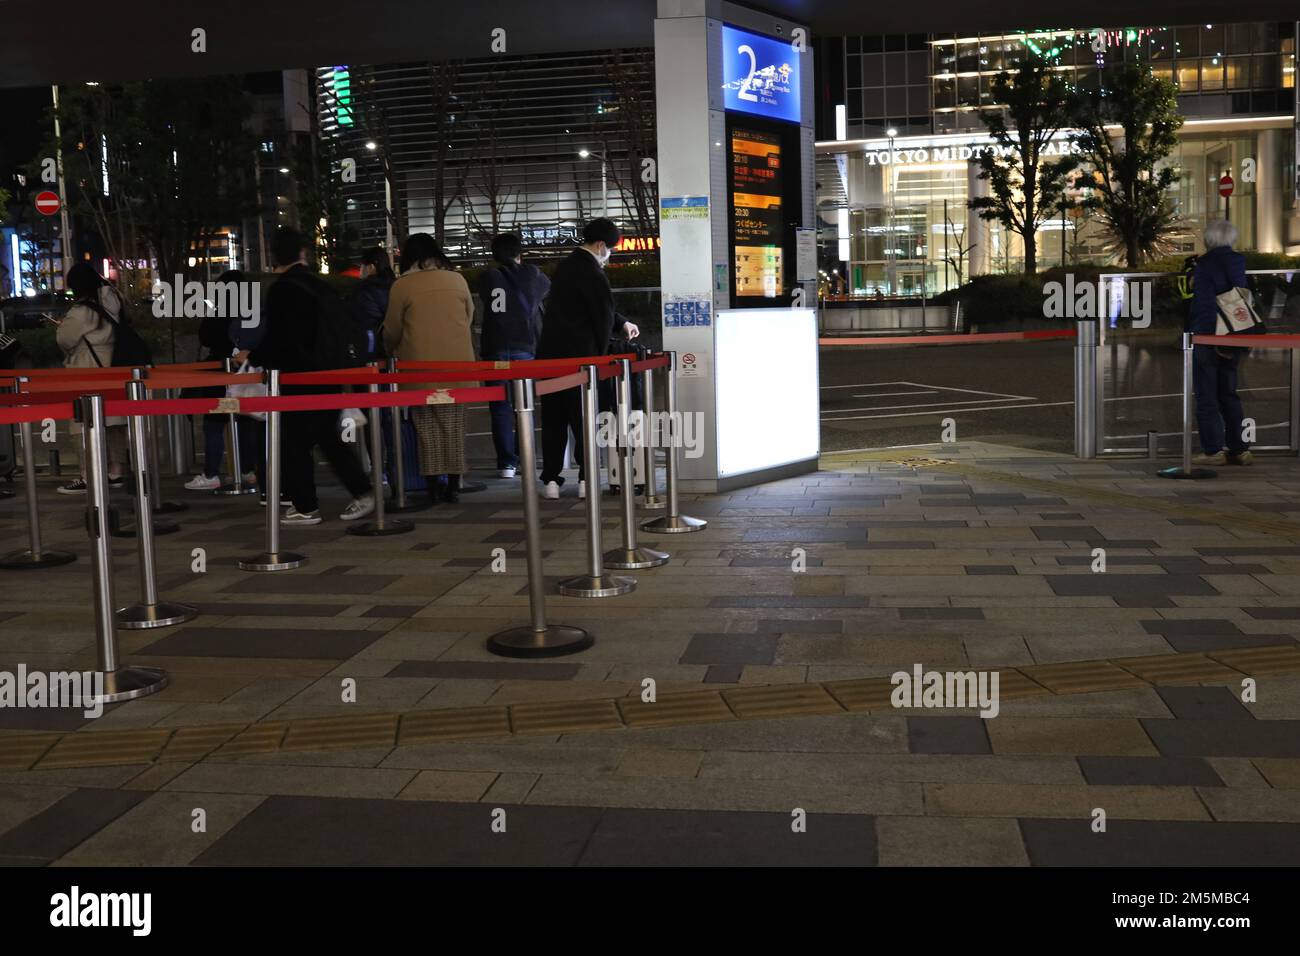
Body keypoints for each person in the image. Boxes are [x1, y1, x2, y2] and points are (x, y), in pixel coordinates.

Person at [239, 227, 374, 525]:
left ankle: (306, 505)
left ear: (275, 256)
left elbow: (279, 338)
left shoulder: (282, 290)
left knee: (294, 443)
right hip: (328, 373)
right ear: (302, 253)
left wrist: (254, 357)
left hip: (297, 377)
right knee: (327, 438)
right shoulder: (319, 286)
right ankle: (360, 492)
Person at [536, 218, 639, 500]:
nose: (610, 255)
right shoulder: (594, 273)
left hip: (550, 358)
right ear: (601, 245)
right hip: (581, 359)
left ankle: (552, 481)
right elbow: (601, 315)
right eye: (611, 249)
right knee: (583, 418)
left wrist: (622, 322)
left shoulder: (565, 267)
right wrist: (607, 347)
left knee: (554, 419)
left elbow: (576, 308)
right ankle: (585, 478)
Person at [383, 233, 475, 504]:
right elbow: (469, 317)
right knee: (454, 425)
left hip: (418, 368)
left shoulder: (402, 286)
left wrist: (391, 351)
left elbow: (392, 329)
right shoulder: (457, 279)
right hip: (457, 368)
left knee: (427, 429)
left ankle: (434, 487)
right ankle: (454, 485)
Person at [477, 233, 550, 478]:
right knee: (524, 405)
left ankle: (506, 463)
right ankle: (525, 456)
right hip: (524, 347)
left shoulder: (488, 277)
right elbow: (544, 290)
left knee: (499, 406)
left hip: (495, 348)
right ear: (520, 253)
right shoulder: (530, 273)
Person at [185, 269, 262, 492]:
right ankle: (248, 470)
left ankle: (212, 473)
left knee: (214, 423)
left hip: (220, 375)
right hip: (246, 375)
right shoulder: (252, 312)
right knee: (245, 421)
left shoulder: (220, 313)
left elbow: (206, 336)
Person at [54, 262, 128, 494]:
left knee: (82, 423)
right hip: (113, 369)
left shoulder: (82, 311)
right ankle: (116, 471)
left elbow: (64, 339)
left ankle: (89, 475)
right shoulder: (113, 303)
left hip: (86, 371)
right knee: (113, 423)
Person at [1189, 219, 1252, 466]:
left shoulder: (1204, 265)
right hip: (1235, 334)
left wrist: (1200, 335)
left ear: (1209, 240)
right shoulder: (1238, 262)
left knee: (1206, 394)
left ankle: (1213, 450)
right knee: (1229, 392)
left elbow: (1204, 305)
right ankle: (1239, 449)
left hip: (1209, 335)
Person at [349, 247, 395, 362]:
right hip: (394, 346)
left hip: (371, 347)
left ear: (371, 267)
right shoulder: (396, 285)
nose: (360, 270)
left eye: (362, 266)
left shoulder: (363, 290)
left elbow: (360, 321)